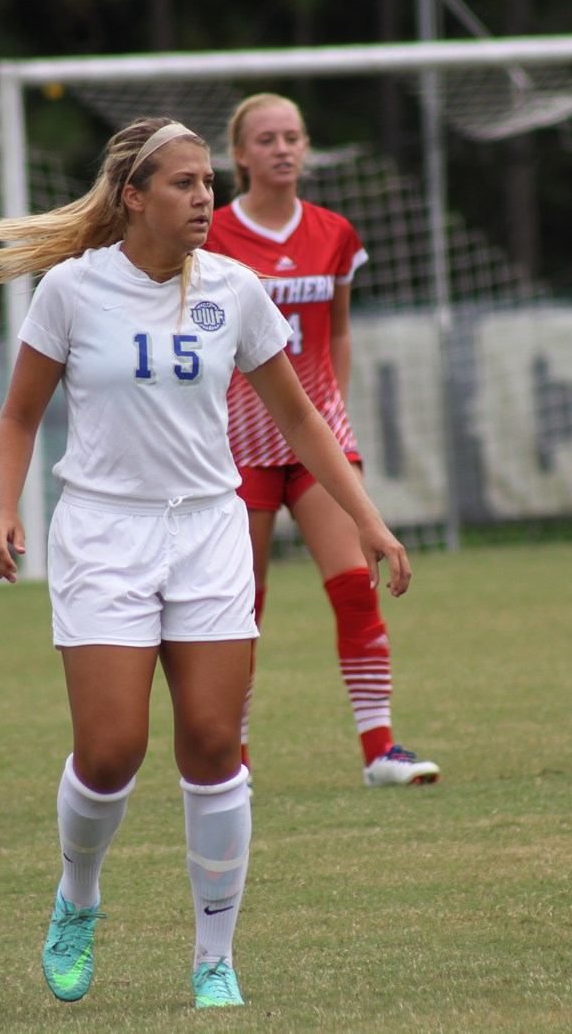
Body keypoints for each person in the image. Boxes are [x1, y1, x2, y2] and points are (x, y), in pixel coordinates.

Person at [0, 117, 412, 1009]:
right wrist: (6, 508)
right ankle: (78, 895)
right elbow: (17, 418)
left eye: (207, 182)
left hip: (208, 530)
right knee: (112, 750)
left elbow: (304, 417)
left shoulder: (236, 290)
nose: (206, 198)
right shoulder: (73, 291)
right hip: (104, 535)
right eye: (185, 184)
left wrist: (370, 521)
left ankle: (213, 957)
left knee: (210, 742)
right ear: (133, 196)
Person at [203, 93, 441, 786]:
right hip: (234, 444)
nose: (283, 148)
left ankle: (380, 752)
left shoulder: (334, 232)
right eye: (267, 139)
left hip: (315, 440)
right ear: (240, 155)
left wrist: (328, 406)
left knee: (354, 587)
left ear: (307, 147)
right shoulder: (211, 235)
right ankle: (232, 763)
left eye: (294, 137)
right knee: (237, 608)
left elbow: (336, 329)